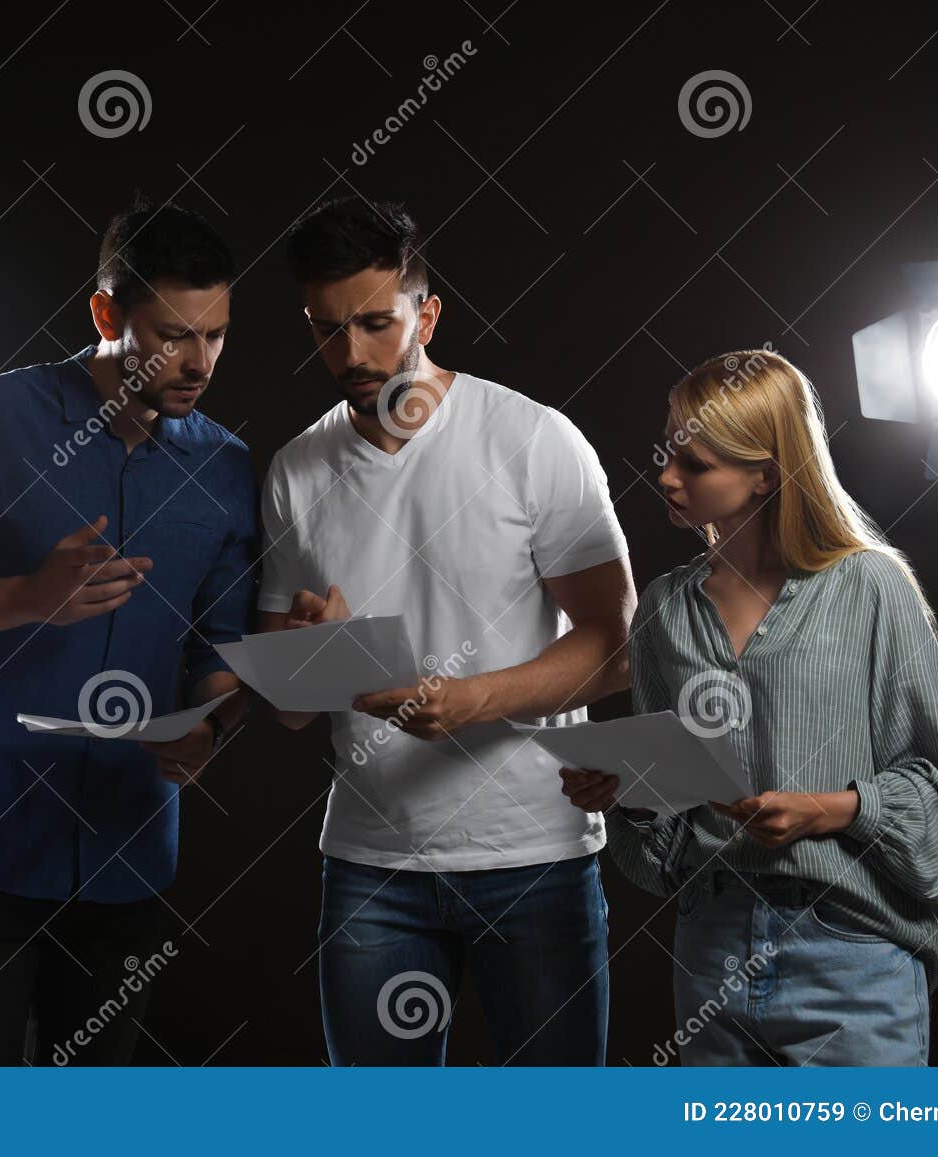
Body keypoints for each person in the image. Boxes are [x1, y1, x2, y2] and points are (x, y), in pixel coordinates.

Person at [258, 197, 636, 1065]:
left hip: (533, 852)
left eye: (375, 324)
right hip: (370, 864)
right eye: (328, 329)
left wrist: (470, 700)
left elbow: (616, 645)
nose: (353, 354)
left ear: (426, 316)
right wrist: (318, 651)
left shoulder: (533, 438)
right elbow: (287, 707)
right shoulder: (295, 470)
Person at [560, 348, 938, 1066]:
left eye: (694, 464)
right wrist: (627, 794)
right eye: (669, 452)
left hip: (852, 953)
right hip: (710, 953)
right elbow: (665, 850)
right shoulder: (665, 610)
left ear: (765, 473)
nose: (666, 476)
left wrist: (830, 810)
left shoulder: (870, 589)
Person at [0, 198, 257, 1065]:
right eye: (173, 336)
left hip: (127, 853)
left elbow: (221, 645)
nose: (199, 362)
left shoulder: (226, 467)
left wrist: (211, 727)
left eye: (216, 335)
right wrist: (30, 596)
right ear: (106, 315)